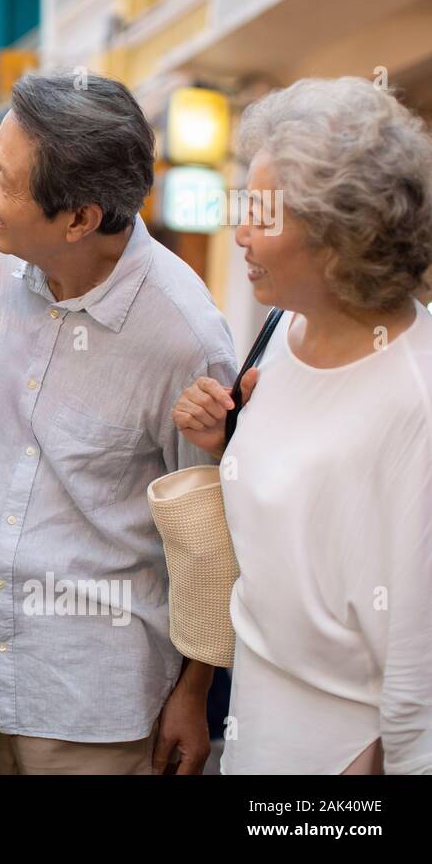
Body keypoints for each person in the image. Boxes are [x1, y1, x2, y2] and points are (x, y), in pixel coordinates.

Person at [0, 71, 238, 774]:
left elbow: (209, 537)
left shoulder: (184, 337)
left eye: (5, 178)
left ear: (80, 219)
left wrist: (195, 690)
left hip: (95, 707)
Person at [172, 77, 432, 774]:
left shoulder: (417, 399)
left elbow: (420, 657)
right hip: (252, 732)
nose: (241, 232)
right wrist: (226, 443)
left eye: (264, 212)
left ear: (342, 235)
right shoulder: (283, 330)